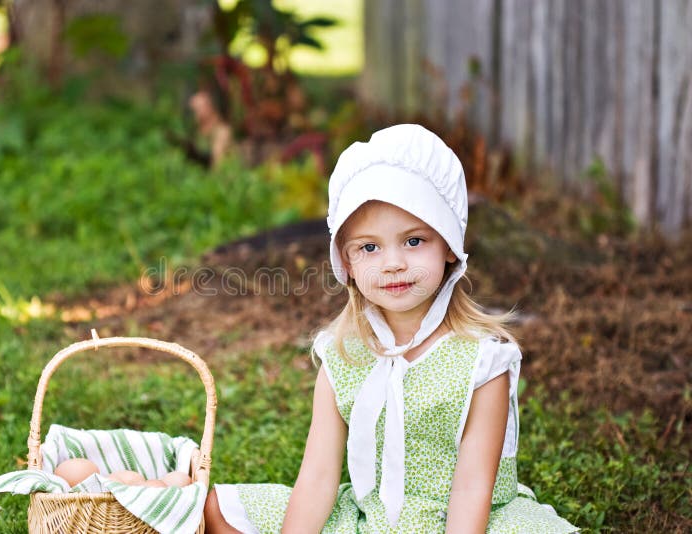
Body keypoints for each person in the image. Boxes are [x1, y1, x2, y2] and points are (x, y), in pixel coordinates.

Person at [203, 124, 579, 533]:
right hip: (374, 519)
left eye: (414, 241)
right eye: (369, 247)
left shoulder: (482, 361)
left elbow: (472, 489)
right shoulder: (343, 355)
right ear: (346, 263)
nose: (393, 263)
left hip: (464, 522)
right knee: (221, 509)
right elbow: (318, 476)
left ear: (449, 245)